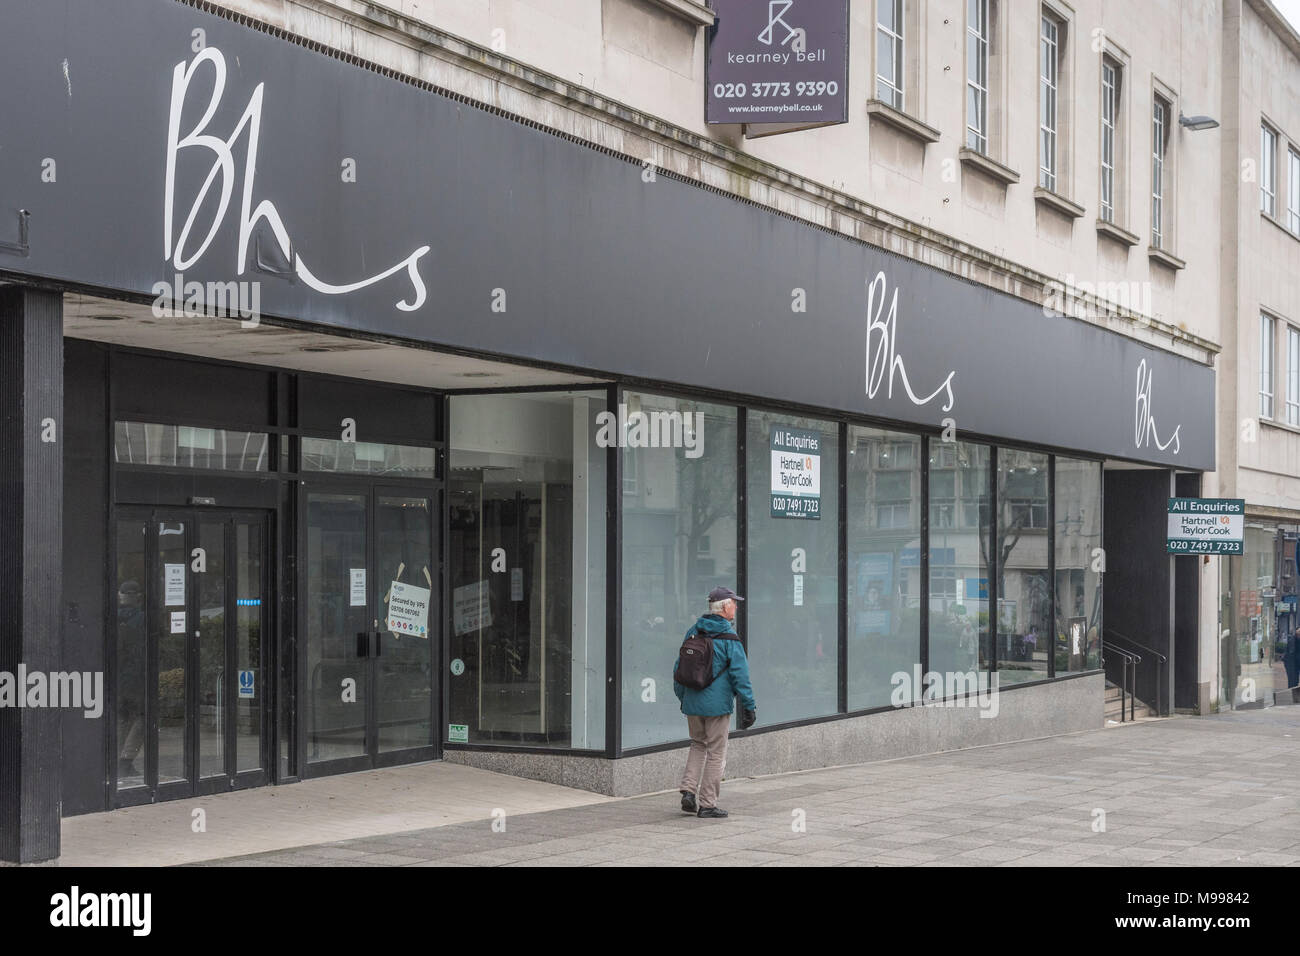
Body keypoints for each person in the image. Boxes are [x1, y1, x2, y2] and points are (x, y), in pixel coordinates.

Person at [673, 586, 756, 820]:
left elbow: (678, 668)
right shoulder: (729, 638)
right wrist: (748, 705)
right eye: (734, 603)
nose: (736, 607)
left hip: (693, 702)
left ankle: (688, 791)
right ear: (724, 607)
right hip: (717, 706)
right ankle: (707, 804)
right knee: (716, 752)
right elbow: (741, 675)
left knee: (698, 744)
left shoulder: (693, 631)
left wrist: (684, 698)